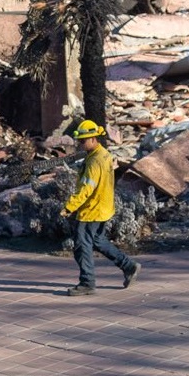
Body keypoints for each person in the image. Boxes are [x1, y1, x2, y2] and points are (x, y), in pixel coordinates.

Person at [62, 119, 139, 296]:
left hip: (92, 210)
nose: (80, 144)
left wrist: (69, 207)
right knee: (98, 241)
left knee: (82, 246)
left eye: (83, 140)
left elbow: (86, 189)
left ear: (94, 139)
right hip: (104, 207)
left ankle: (87, 282)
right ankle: (129, 266)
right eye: (79, 141)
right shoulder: (103, 154)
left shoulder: (95, 161)